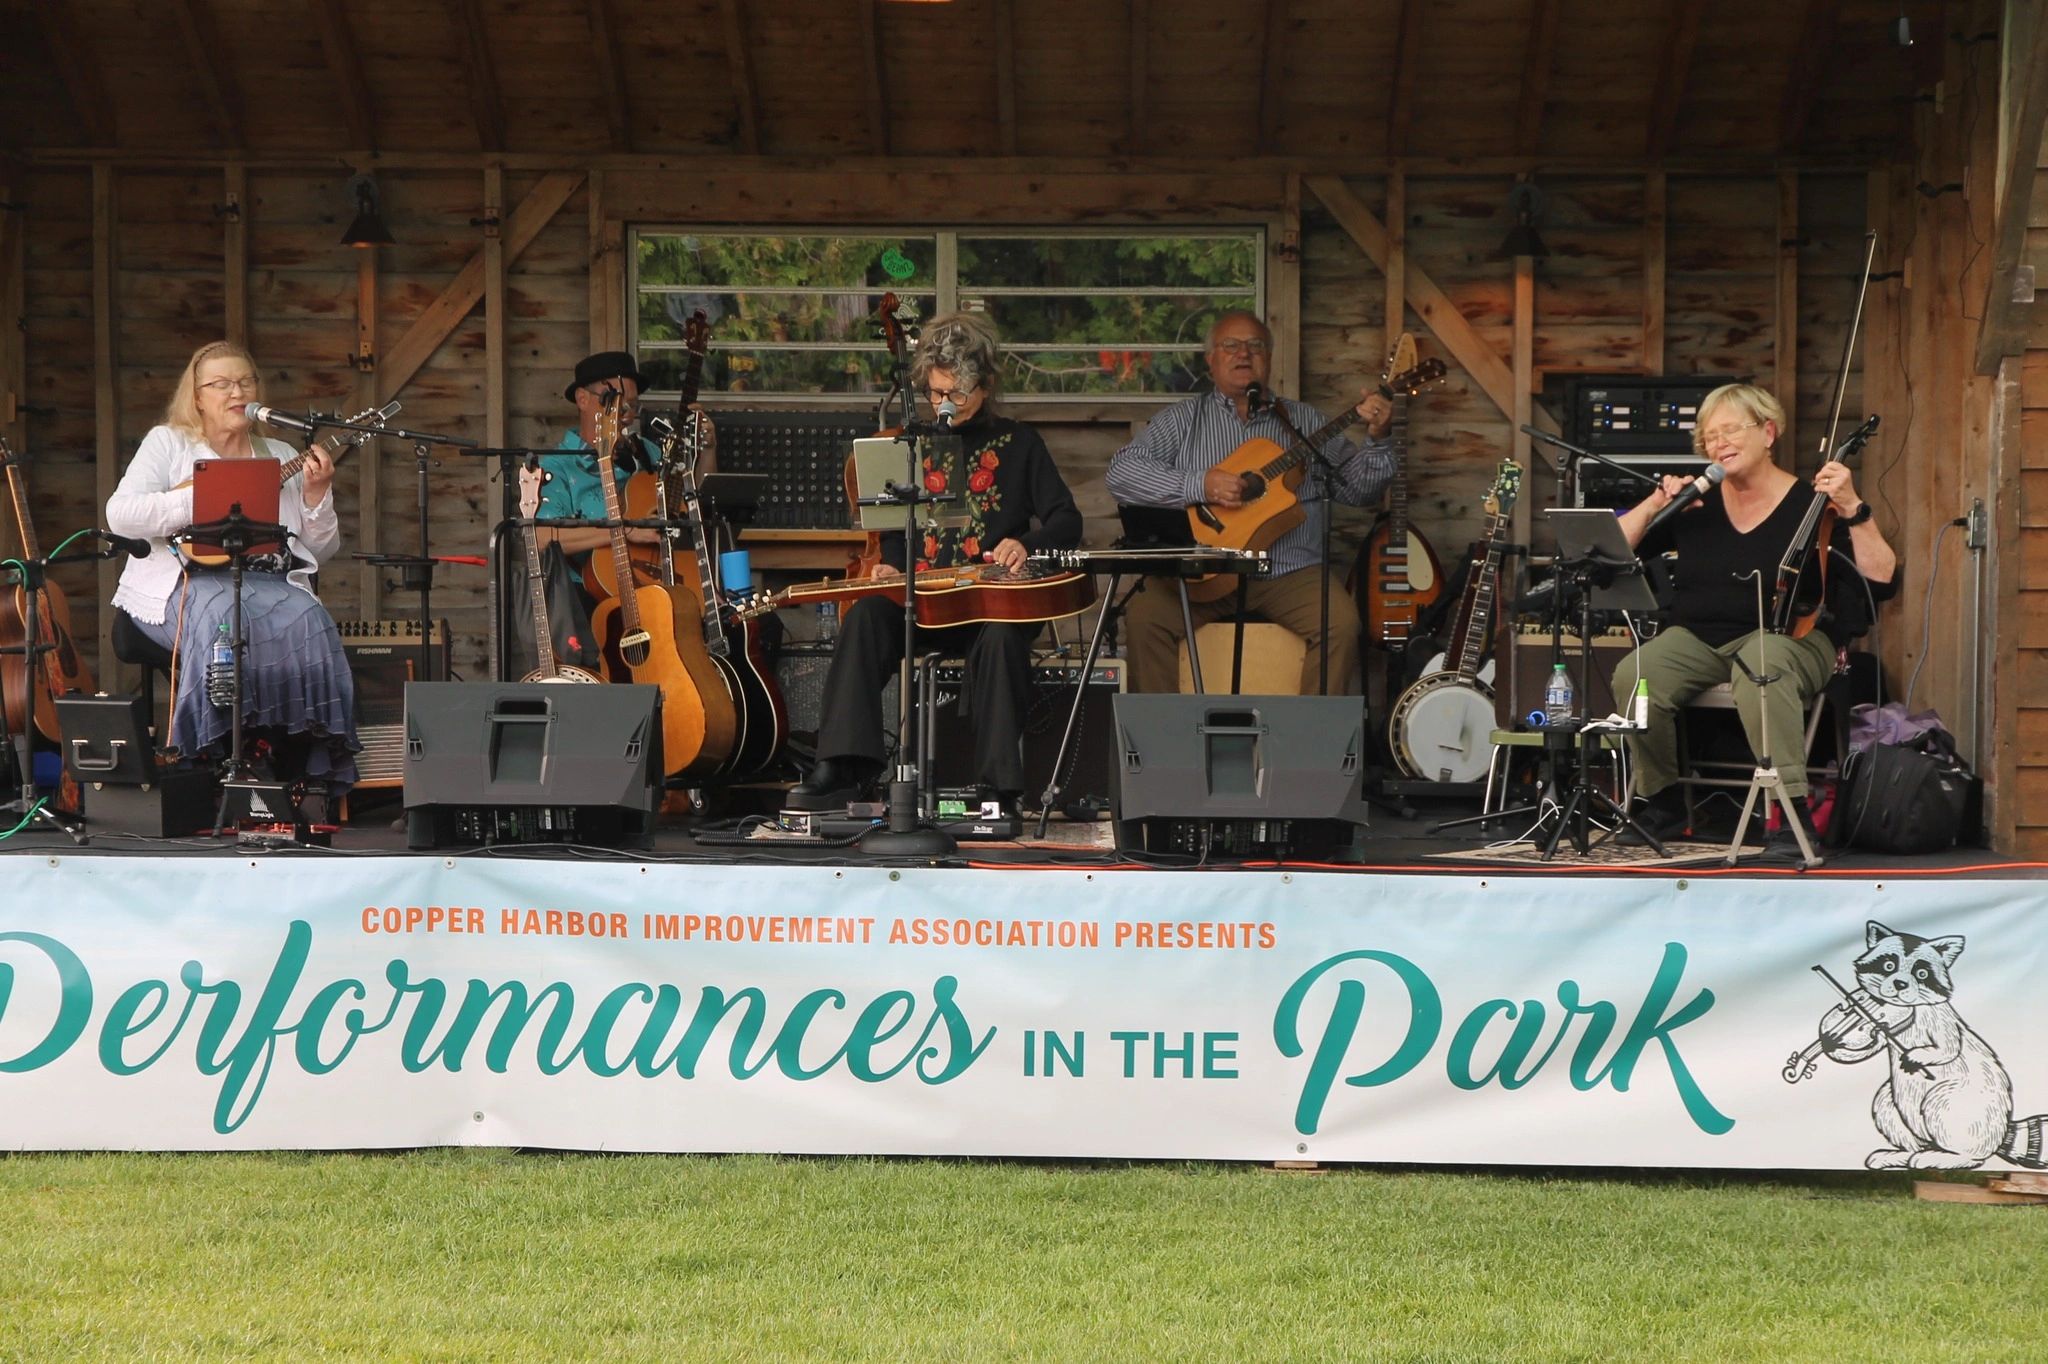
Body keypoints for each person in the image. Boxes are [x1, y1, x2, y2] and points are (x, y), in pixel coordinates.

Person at [787, 312, 1082, 811]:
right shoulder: (911, 443)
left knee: (1001, 639)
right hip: (923, 602)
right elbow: (892, 527)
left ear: (985, 386)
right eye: (935, 393)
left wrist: (1025, 545)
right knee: (865, 617)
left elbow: (1067, 520)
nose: (944, 405)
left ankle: (998, 790)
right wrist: (892, 567)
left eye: (957, 394)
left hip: (992, 607)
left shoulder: (1020, 443)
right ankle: (842, 767)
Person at [1611, 383, 1899, 849]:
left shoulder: (1812, 502)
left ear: (1768, 433)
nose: (1718, 443)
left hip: (1795, 639)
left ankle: (1790, 814)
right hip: (1701, 639)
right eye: (1709, 436)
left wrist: (1852, 507)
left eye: (1730, 430)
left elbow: (1882, 579)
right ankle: (1662, 802)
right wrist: (1655, 504)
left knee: (1762, 663)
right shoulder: (1699, 501)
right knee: (1636, 675)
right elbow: (1610, 553)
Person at [105, 340, 358, 800]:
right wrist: (204, 497)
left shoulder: (279, 452)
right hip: (185, 583)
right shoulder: (169, 443)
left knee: (311, 618)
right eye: (221, 384)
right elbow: (120, 515)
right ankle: (215, 759)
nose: (236, 392)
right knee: (224, 618)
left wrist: (316, 495)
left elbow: (319, 550)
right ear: (197, 396)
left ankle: (297, 759)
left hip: (269, 583)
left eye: (245, 382)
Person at [1104, 310, 1397, 695]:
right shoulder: (1182, 421)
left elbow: (1360, 491)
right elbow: (1121, 473)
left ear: (1269, 359)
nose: (1244, 353)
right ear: (1211, 360)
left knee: (1340, 625)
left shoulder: (1304, 422)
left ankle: (1308, 734)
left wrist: (1379, 437)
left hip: (1288, 571)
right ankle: (1165, 734)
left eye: (1255, 345)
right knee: (1146, 619)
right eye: (1231, 345)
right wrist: (1200, 484)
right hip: (1204, 567)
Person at [537, 350, 715, 588]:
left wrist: (708, 448)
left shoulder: (649, 452)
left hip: (657, 582)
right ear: (582, 399)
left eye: (632, 404)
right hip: (588, 591)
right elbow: (542, 538)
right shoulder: (556, 466)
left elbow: (693, 501)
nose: (626, 413)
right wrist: (625, 531)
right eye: (613, 400)